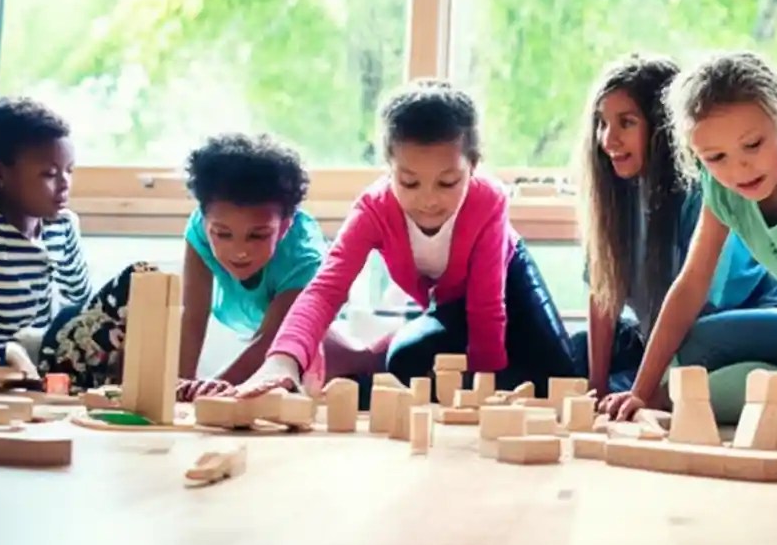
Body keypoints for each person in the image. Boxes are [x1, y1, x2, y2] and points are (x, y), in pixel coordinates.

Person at [235, 80, 577, 399]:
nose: (428, 200)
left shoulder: (488, 200)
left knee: (561, 378)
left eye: (447, 183)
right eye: (410, 182)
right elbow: (325, 290)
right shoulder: (373, 210)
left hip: (508, 282)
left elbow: (486, 307)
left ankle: (620, 341)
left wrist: (481, 390)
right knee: (406, 360)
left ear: (473, 167)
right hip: (450, 304)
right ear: (389, 168)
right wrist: (282, 360)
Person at [601, 52, 777, 442]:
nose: (738, 168)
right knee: (697, 348)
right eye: (716, 158)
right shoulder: (721, 190)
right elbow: (690, 285)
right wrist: (641, 393)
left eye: (753, 144)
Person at [573, 53, 777, 407]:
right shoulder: (616, 202)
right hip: (677, 339)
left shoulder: (704, 190)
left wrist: (646, 391)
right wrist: (598, 388)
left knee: (697, 346)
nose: (609, 139)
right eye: (602, 123)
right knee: (580, 352)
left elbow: (696, 300)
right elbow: (603, 295)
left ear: (660, 129)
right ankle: (678, 389)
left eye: (626, 123)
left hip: (735, 325)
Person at [0, 97, 154, 390]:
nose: (65, 183)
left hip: (44, 359)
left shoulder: (62, 226)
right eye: (50, 174)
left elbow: (84, 317)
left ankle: (123, 389)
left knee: (141, 279)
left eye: (70, 170)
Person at [175, 133, 327, 400]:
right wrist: (179, 386)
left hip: (314, 340)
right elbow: (192, 314)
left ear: (285, 226)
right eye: (222, 234)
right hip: (266, 333)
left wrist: (212, 390)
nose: (239, 251)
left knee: (333, 365)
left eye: (257, 235)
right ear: (204, 218)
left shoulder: (303, 257)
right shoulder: (199, 230)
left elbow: (274, 339)